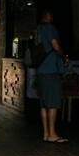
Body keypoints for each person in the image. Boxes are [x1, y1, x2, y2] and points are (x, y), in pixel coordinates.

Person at [34, 10, 67, 144]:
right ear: (48, 16)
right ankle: (53, 133)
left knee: (43, 104)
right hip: (50, 70)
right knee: (53, 103)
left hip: (40, 70)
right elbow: (55, 45)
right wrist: (63, 56)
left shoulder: (38, 30)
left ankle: (46, 133)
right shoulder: (50, 28)